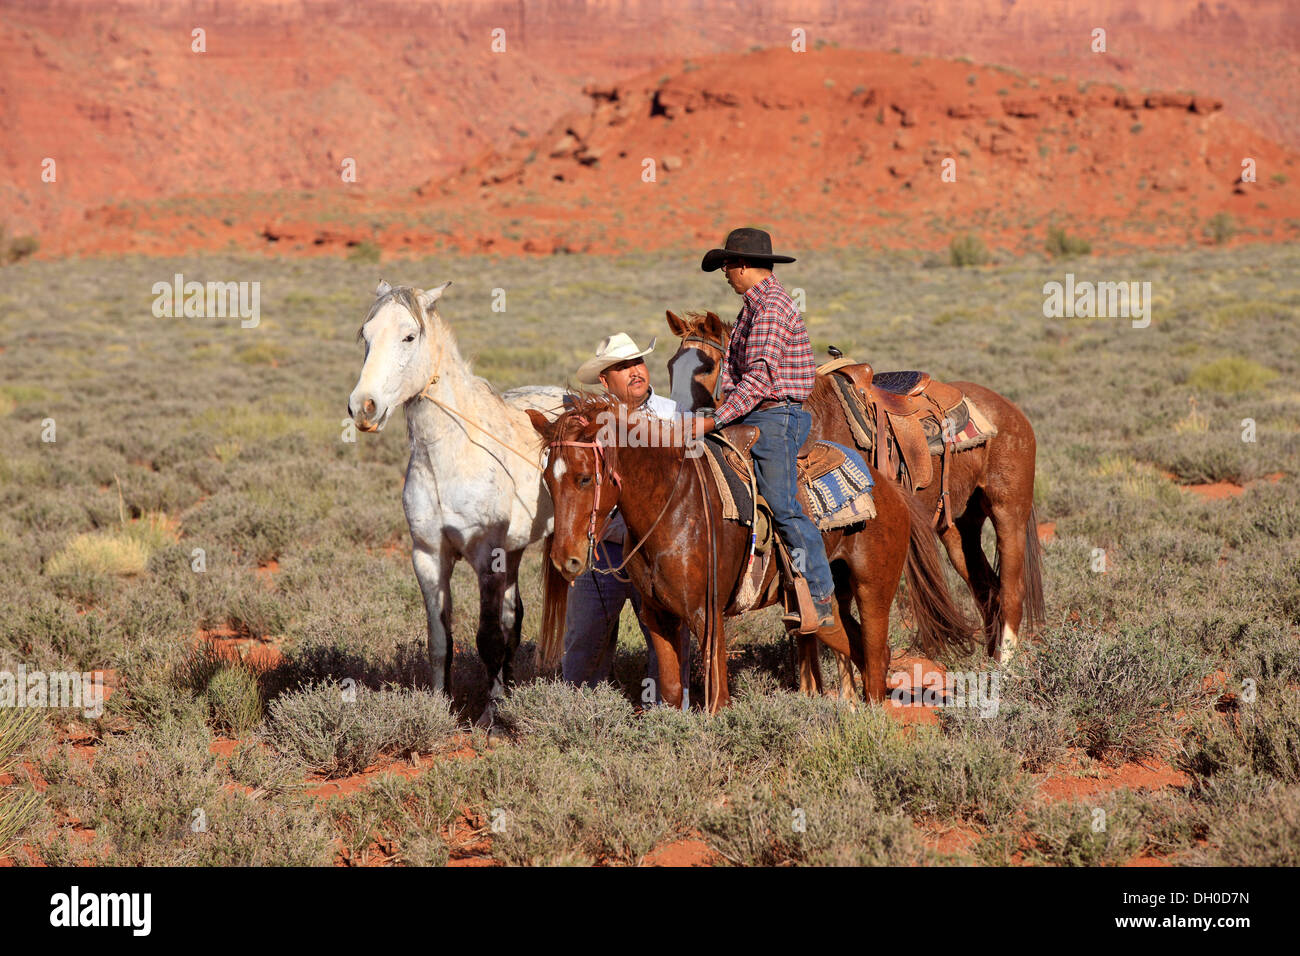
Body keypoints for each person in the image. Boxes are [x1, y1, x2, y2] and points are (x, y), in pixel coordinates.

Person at [691, 228, 835, 633]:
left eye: (726, 265)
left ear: (741, 265)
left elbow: (759, 379)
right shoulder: (753, 305)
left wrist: (714, 419)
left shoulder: (770, 306)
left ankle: (821, 596)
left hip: (774, 416)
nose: (724, 273)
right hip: (751, 412)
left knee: (782, 502)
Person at [560, 332, 691, 706]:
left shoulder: (675, 414)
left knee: (668, 640)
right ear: (605, 380)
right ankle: (581, 715)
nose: (635, 371)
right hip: (604, 549)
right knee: (584, 640)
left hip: (660, 553)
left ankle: (667, 720)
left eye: (638, 363)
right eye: (621, 367)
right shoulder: (589, 424)